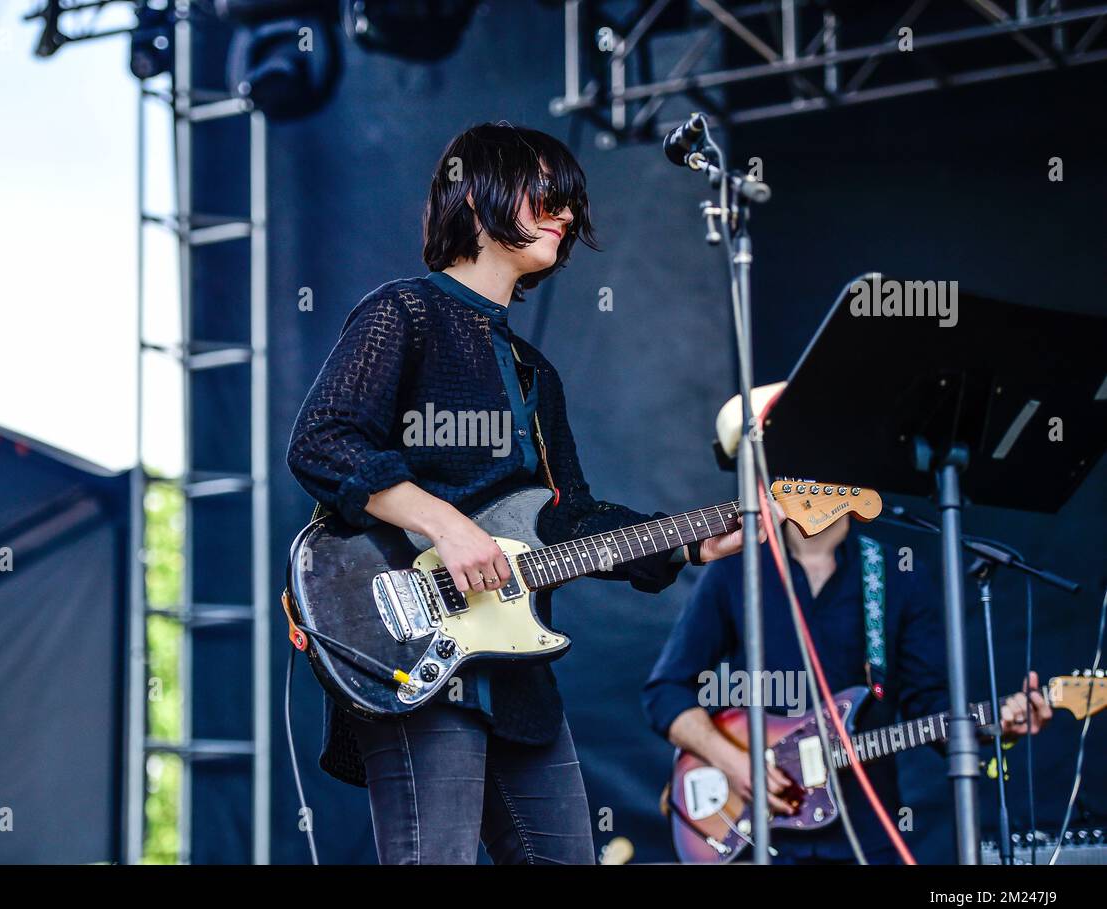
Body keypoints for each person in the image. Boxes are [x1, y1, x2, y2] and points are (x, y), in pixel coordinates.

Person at [286, 122, 745, 864]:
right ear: (476, 194)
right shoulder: (401, 313)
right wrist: (445, 525)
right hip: (412, 646)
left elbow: (568, 519)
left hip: (516, 672)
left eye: (570, 200)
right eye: (547, 193)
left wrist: (688, 540)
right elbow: (322, 441)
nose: (564, 213)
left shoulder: (535, 373)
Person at [641, 512, 1053, 863]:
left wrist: (995, 724)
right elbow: (665, 693)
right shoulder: (736, 569)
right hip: (760, 838)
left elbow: (928, 705)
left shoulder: (895, 572)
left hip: (864, 834)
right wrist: (735, 762)